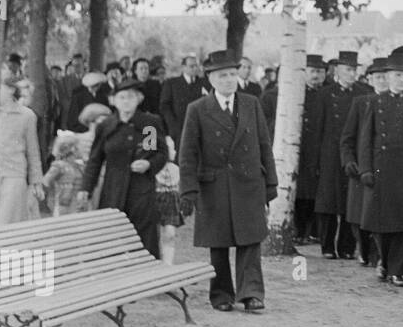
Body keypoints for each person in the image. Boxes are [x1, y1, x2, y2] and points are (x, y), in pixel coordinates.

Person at [178, 50, 277, 312]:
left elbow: (264, 144)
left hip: (248, 181)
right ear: (211, 79)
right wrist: (188, 189)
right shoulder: (197, 109)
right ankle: (221, 294)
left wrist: (271, 183)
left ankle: (251, 293)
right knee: (218, 243)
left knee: (250, 239)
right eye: (223, 76)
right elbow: (187, 153)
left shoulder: (251, 103)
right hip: (214, 184)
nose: (230, 80)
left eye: (233, 74)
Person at [357, 52, 403, 286]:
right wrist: (366, 169)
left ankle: (397, 270)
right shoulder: (376, 103)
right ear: (388, 77)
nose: (400, 80)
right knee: (381, 223)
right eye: (396, 75)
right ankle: (385, 262)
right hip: (381, 170)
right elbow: (365, 139)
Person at [79, 78, 167, 258]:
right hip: (113, 190)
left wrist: (148, 164)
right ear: (113, 100)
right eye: (122, 97)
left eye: (131, 97)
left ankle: (147, 280)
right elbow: (95, 159)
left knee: (144, 239)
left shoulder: (148, 124)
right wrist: (85, 188)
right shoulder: (106, 126)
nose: (126, 101)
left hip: (140, 190)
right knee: (111, 237)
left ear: (139, 99)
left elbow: (158, 154)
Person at [311, 50, 365, 259]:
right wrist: (316, 160)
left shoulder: (362, 93)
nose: (351, 74)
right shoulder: (325, 95)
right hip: (329, 154)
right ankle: (326, 247)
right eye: (348, 70)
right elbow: (318, 129)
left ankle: (346, 247)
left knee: (349, 203)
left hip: (353, 153)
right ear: (338, 71)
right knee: (328, 203)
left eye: (354, 70)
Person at [341, 56, 390, 268]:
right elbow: (347, 138)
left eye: (385, 77)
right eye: (377, 77)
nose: (382, 81)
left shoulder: (398, 103)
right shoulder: (361, 103)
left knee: (383, 215)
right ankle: (364, 251)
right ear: (370, 79)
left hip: (387, 169)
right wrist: (349, 160)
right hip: (363, 168)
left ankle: (382, 256)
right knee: (360, 214)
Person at [0, 72, 45, 224]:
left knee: (6, 221)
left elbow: (33, 151)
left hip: (14, 175)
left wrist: (36, 181)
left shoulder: (27, 116)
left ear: (11, 89)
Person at [293, 54, 326, 243]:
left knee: (316, 192)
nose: (316, 75)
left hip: (320, 149)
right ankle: (298, 230)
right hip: (301, 150)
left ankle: (314, 231)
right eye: (312, 71)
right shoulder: (297, 93)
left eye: (320, 71)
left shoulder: (327, 94)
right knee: (299, 191)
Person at [159, 55, 209, 144]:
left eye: (196, 66)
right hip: (180, 129)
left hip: (201, 129)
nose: (195, 69)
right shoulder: (172, 83)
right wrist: (173, 126)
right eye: (191, 66)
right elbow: (164, 106)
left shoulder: (204, 82)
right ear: (183, 67)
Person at [42, 132, 86, 217]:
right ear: (70, 149)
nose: (79, 149)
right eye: (77, 147)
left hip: (77, 204)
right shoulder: (59, 166)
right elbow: (45, 182)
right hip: (63, 204)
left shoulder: (79, 166)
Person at [154, 137, 183, 265]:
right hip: (156, 200)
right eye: (171, 149)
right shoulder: (155, 168)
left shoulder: (176, 169)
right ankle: (155, 262)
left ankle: (168, 264)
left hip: (171, 202)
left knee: (170, 234)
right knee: (154, 235)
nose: (174, 152)